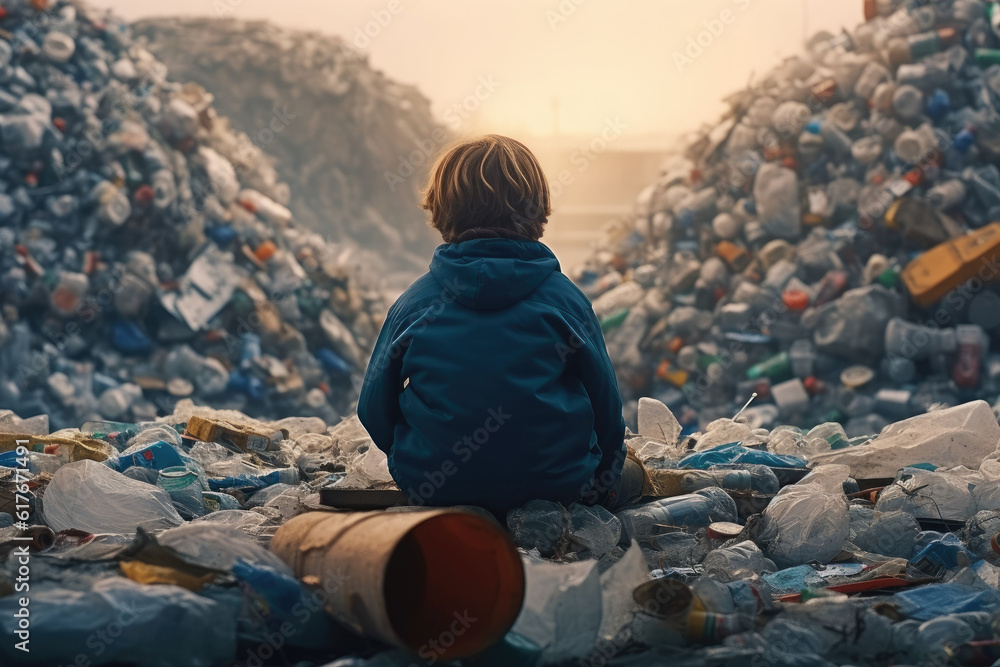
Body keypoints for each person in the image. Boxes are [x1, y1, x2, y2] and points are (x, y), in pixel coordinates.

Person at [358, 134, 645, 513]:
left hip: (435, 483)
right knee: (635, 475)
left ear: (442, 211)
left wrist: (413, 457)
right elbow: (608, 409)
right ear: (537, 210)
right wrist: (601, 484)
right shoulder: (565, 300)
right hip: (556, 485)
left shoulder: (415, 302)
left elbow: (372, 408)